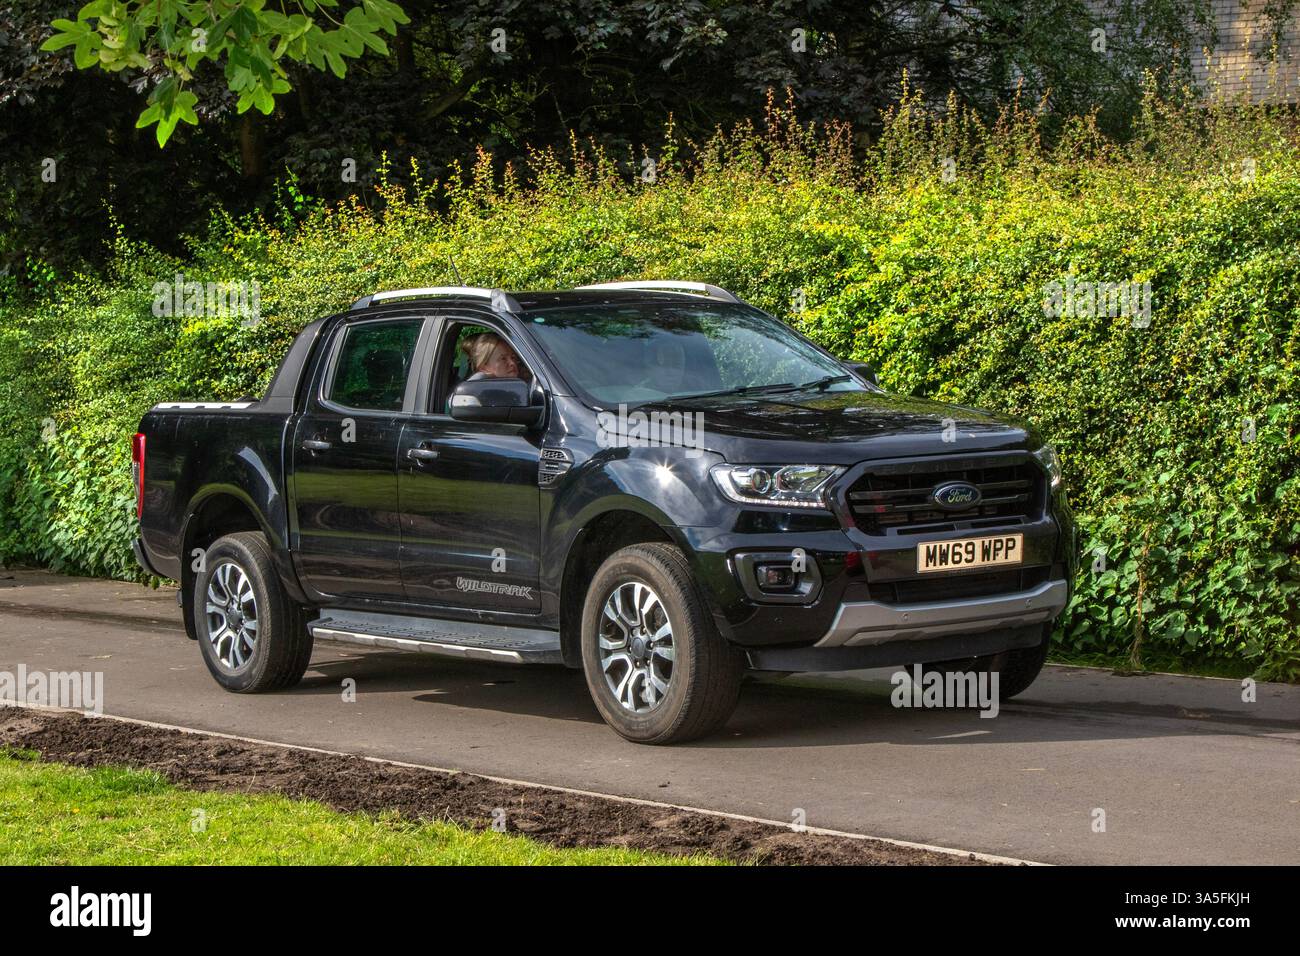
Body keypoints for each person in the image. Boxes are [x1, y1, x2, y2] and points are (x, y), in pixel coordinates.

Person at [460, 332, 528, 381]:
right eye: (503, 358)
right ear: (484, 367)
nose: (512, 363)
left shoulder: (531, 381)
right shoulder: (474, 391)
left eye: (513, 357)